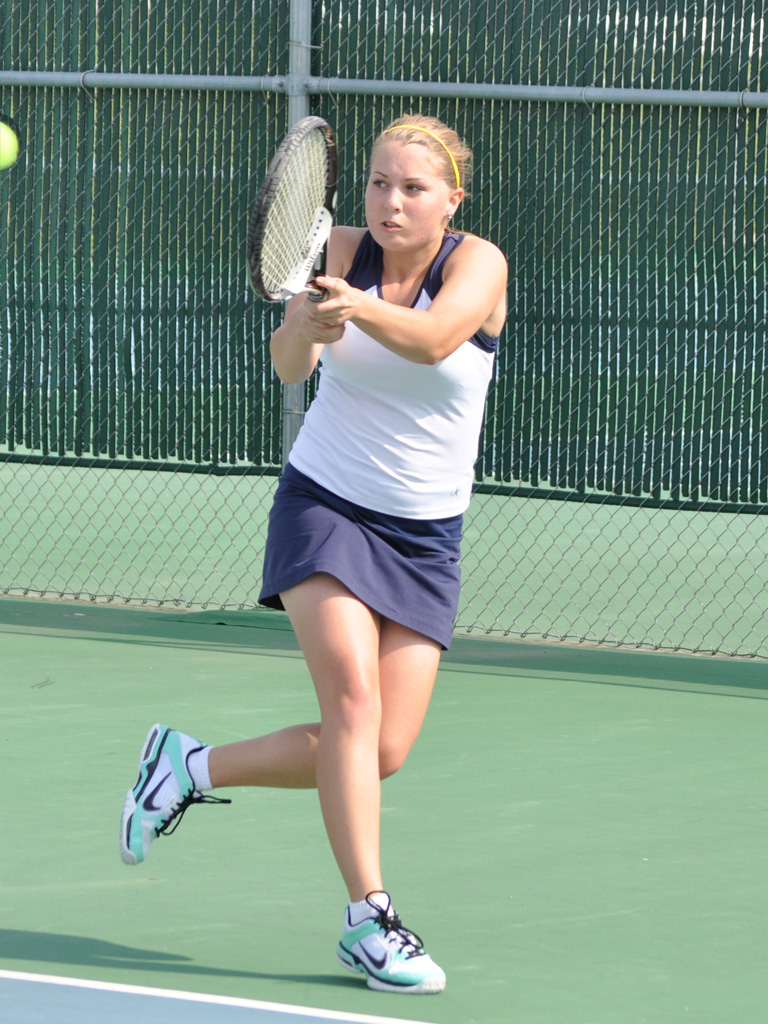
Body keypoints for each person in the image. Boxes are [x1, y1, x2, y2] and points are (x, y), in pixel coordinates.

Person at [120, 113, 508, 995]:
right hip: (325, 506)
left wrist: (357, 305)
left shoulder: (478, 265)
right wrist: (308, 329)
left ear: (453, 199)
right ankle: (370, 919)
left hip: (425, 534)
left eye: (413, 188)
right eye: (377, 183)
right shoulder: (333, 248)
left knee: (378, 749)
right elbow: (289, 366)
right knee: (354, 701)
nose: (391, 201)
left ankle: (188, 767)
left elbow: (437, 338)